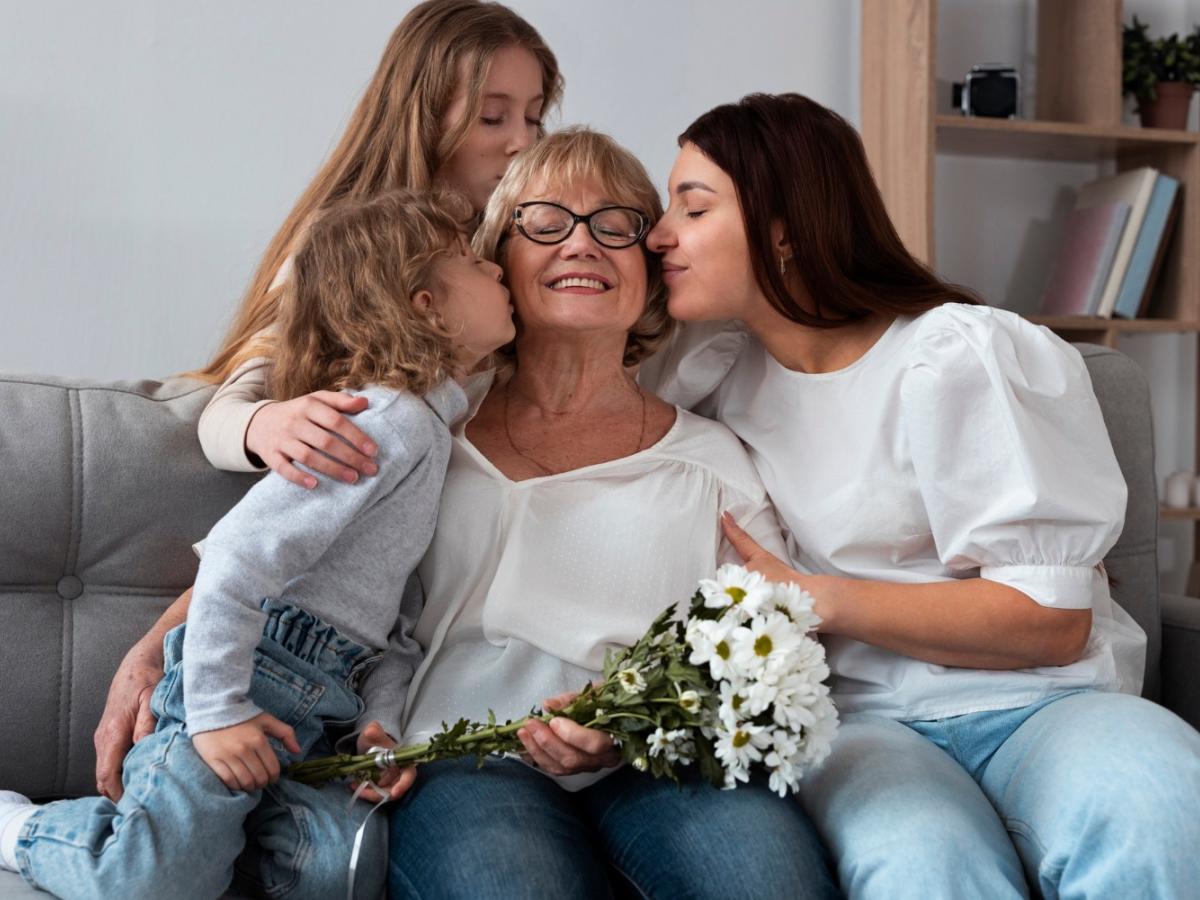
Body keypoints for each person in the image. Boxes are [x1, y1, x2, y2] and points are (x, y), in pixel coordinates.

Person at [639, 92, 1200, 898]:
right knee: (922, 863)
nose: (661, 233)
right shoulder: (718, 373)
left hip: (1043, 706)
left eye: (692, 207)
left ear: (784, 230)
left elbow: (1048, 621)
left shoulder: (954, 355)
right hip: (869, 725)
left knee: (1160, 802)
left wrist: (813, 599)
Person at [93, 0, 561, 801]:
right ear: (424, 116)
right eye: (493, 116)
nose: (521, 139)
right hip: (299, 627)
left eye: (534, 115)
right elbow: (237, 434)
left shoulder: (514, 263)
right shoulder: (347, 255)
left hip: (401, 636)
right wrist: (270, 422)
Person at [0, 189, 516, 898]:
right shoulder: (380, 420)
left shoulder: (430, 433)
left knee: (340, 871)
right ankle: (20, 828)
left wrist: (379, 725)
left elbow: (401, 616)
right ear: (425, 303)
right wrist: (215, 716)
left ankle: (208, 833)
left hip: (325, 710)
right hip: (247, 677)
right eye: (469, 260)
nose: (494, 270)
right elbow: (239, 556)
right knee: (148, 882)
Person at [374, 127, 838, 899]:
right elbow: (309, 553)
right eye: (546, 222)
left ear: (649, 274)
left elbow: (776, 645)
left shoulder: (712, 460)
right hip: (467, 755)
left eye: (615, 225)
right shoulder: (427, 432)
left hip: (664, 760)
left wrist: (624, 732)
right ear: (498, 262)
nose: (581, 245)